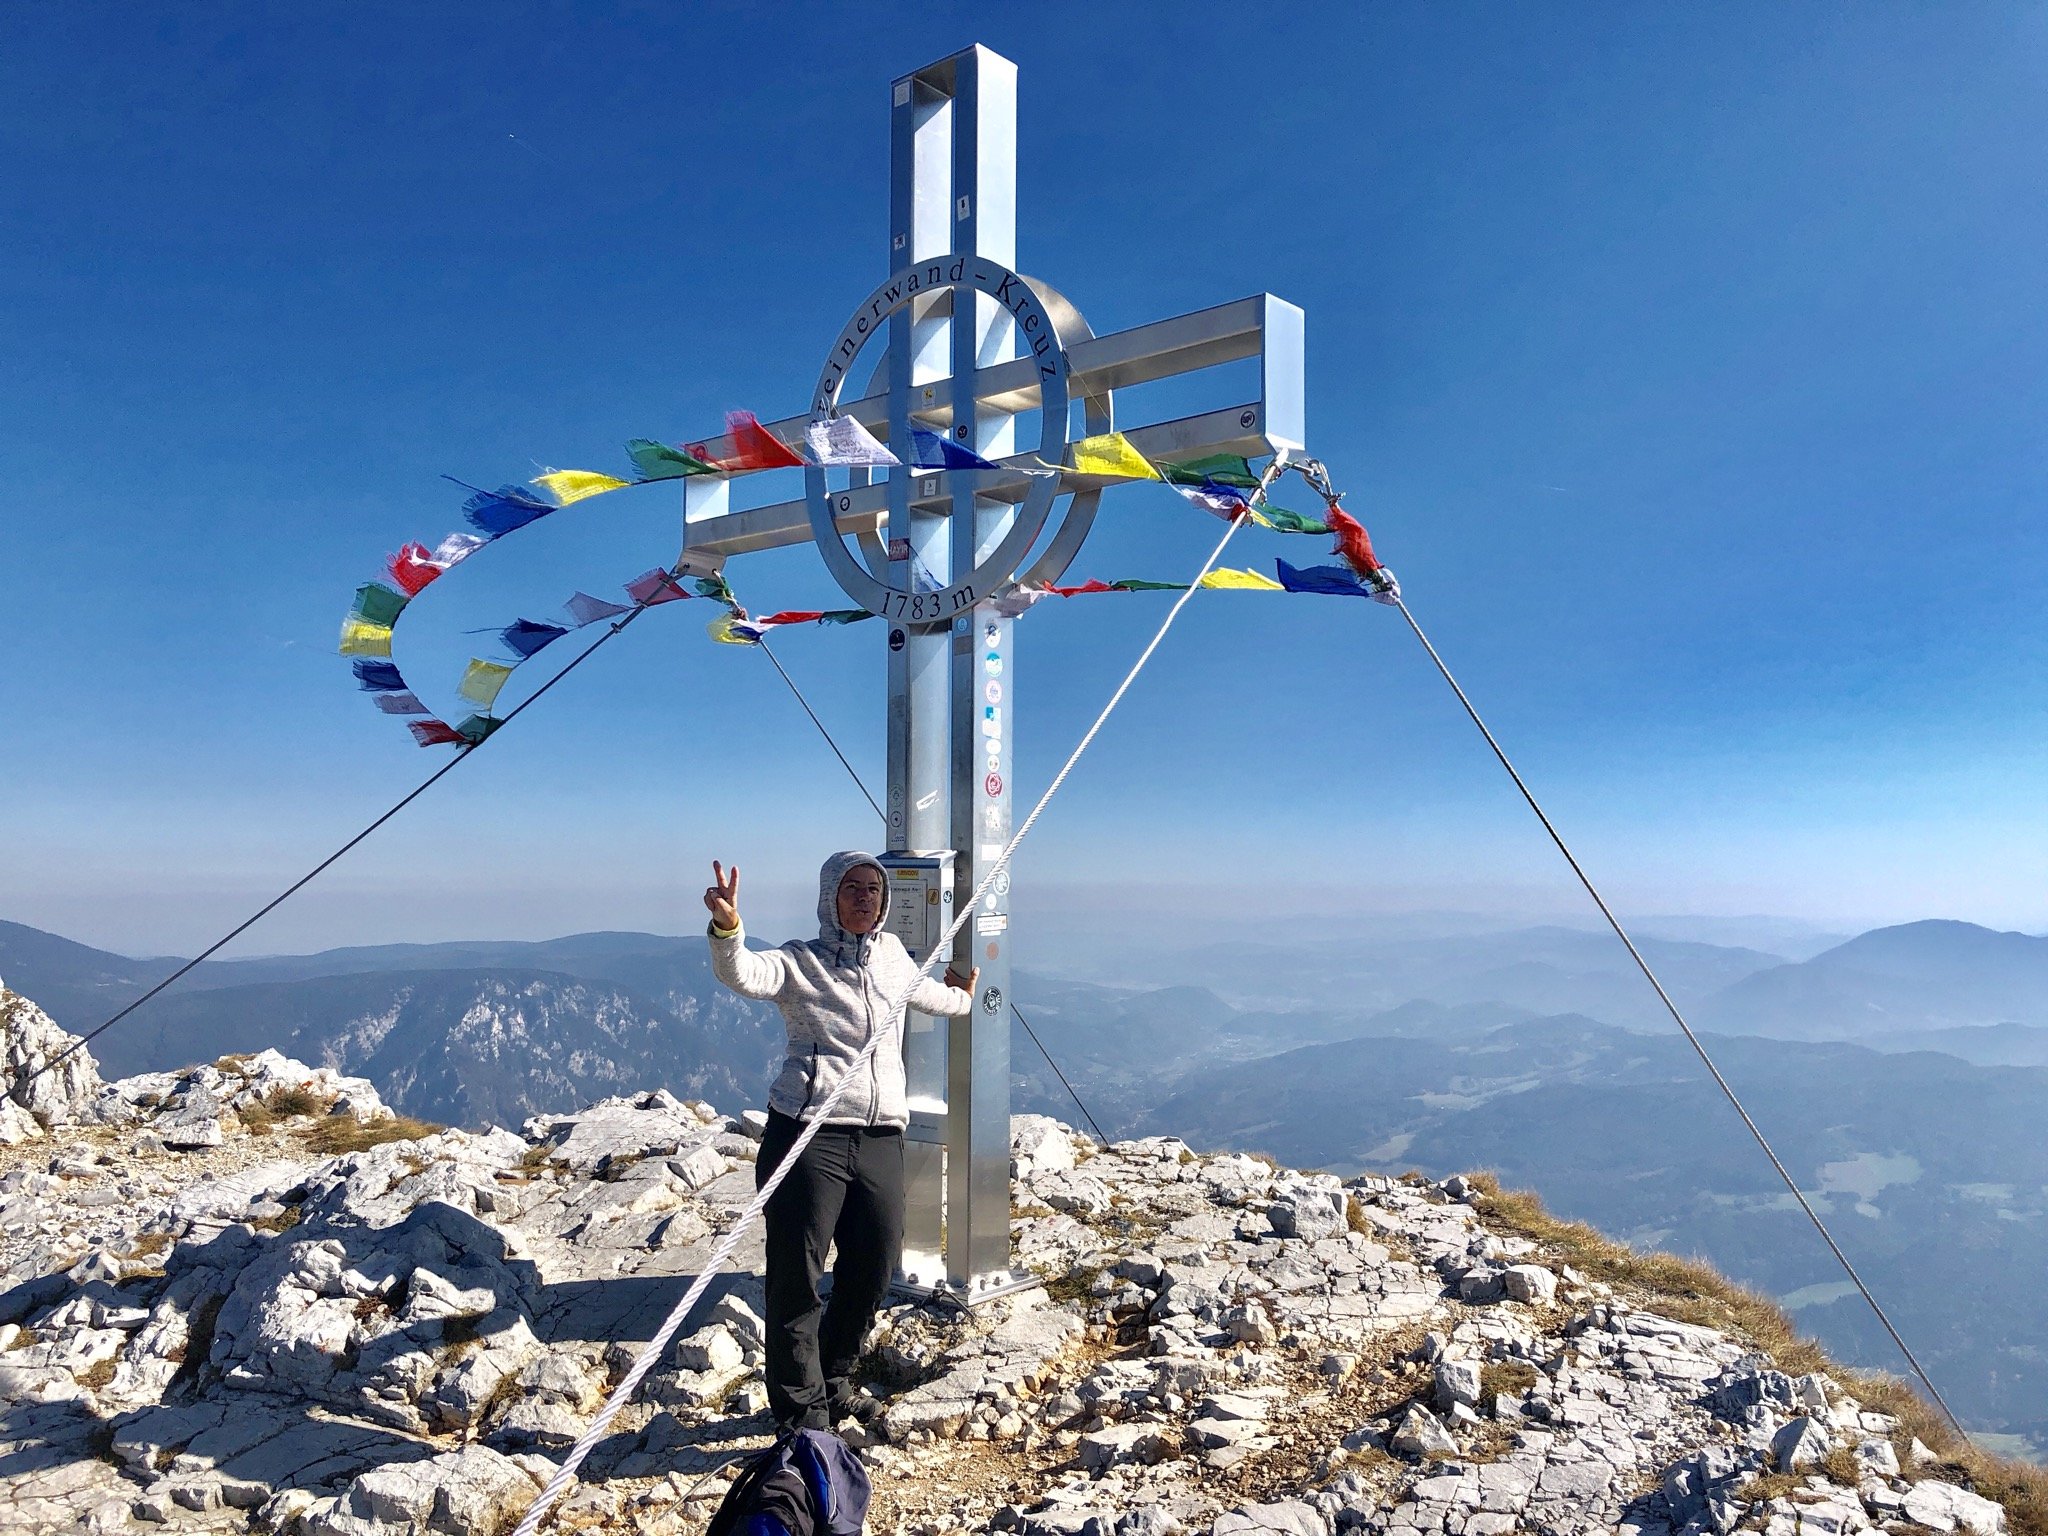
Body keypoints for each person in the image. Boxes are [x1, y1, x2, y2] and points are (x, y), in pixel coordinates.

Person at [704, 851, 978, 1432]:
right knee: (797, 1277)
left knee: (874, 1264)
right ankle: (802, 1414)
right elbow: (744, 974)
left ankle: (834, 1380)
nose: (864, 897)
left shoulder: (893, 957)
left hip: (880, 1134)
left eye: (873, 889)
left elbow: (931, 997)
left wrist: (962, 996)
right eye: (852, 887)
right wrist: (728, 930)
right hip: (808, 1134)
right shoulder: (800, 962)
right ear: (829, 896)